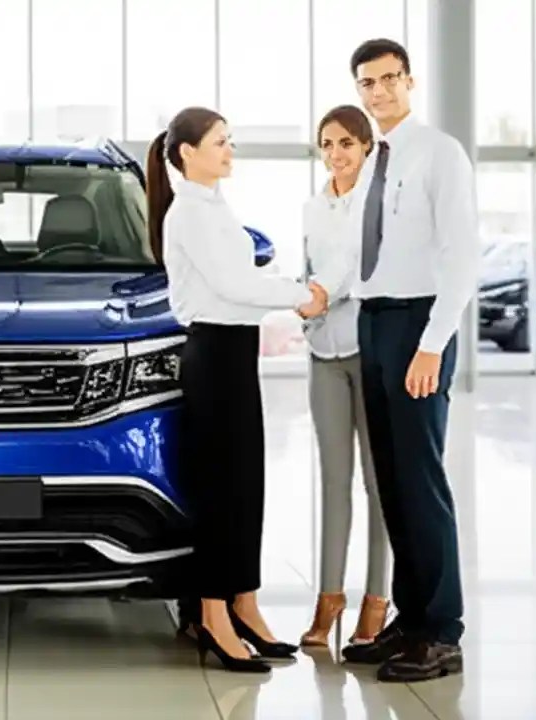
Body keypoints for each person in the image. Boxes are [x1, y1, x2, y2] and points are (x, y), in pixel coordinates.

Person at [146, 106, 328, 674]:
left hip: (234, 352)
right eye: (220, 142)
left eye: (230, 141)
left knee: (246, 482)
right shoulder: (191, 213)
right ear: (187, 154)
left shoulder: (214, 207)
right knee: (220, 488)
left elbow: (237, 283)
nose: (230, 151)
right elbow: (232, 283)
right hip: (212, 355)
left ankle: (244, 601)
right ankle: (213, 615)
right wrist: (301, 294)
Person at [336, 38, 479, 683]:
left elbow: (460, 259)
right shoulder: (371, 162)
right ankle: (411, 618)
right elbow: (361, 252)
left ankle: (442, 631)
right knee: (390, 480)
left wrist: (432, 343)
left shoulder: (439, 154)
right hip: (374, 322)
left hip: (418, 324)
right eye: (368, 83)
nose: (379, 92)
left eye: (390, 79)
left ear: (410, 82)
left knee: (421, 480)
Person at [298, 105, 392, 648]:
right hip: (323, 354)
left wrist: (318, 295)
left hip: (369, 347)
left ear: (365, 148)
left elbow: (361, 265)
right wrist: (302, 296)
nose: (336, 154)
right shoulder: (313, 206)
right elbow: (310, 265)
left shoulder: (375, 203)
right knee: (333, 481)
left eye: (347, 144)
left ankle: (376, 599)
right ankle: (329, 596)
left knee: (378, 484)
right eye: (328, 144)